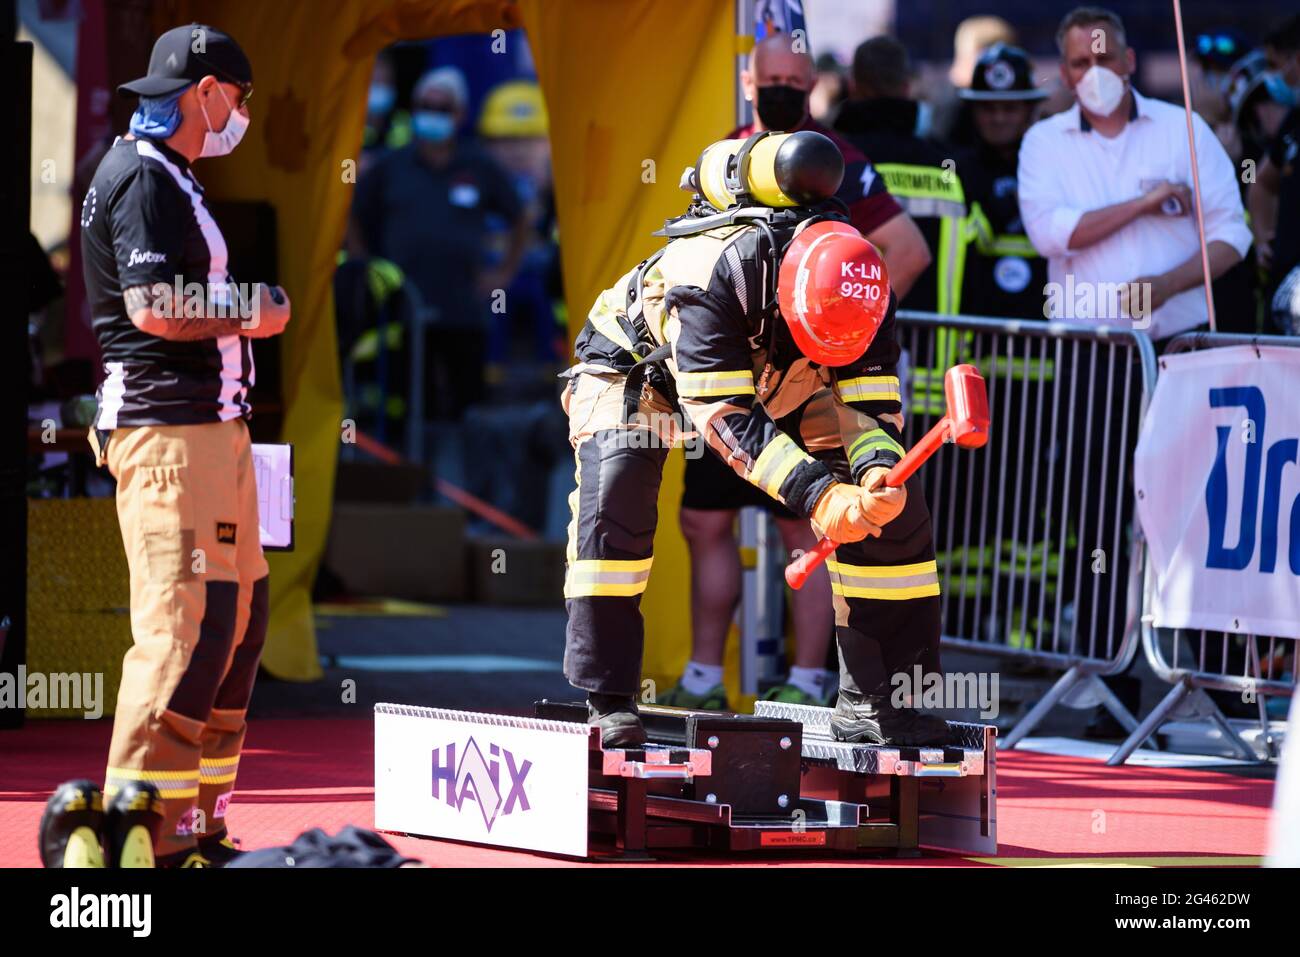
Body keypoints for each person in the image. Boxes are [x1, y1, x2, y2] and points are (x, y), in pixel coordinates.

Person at [562, 129, 950, 749]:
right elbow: (725, 419)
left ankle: (885, 703)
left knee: (895, 514)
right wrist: (822, 497)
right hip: (640, 370)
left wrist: (876, 476)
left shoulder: (863, 286)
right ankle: (608, 700)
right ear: (791, 298)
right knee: (618, 502)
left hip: (780, 368)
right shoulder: (716, 273)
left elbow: (872, 411)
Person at [658, 32, 931, 710]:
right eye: (769, 76)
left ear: (812, 86)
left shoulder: (836, 162)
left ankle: (807, 680)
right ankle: (701, 679)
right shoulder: (725, 156)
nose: (781, 88)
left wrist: (834, 335)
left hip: (805, 385)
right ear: (749, 83)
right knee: (703, 521)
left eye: (794, 78)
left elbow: (904, 250)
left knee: (808, 524)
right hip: (728, 380)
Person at [74, 23, 290, 867]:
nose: (238, 116)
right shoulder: (142, 175)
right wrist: (253, 309)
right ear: (204, 92)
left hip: (211, 430)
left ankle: (197, 827)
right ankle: (135, 842)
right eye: (236, 99)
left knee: (237, 623)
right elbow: (154, 308)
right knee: (183, 631)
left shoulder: (163, 174)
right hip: (170, 432)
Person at [1018, 6, 1252, 343]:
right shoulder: (1042, 142)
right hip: (1087, 348)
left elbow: (1231, 234)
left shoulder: (1184, 127)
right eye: (1081, 63)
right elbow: (1048, 235)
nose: (1095, 74)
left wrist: (1168, 284)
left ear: (1129, 60)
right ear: (1065, 74)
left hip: (1180, 341)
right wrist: (1142, 205)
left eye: (1105, 59)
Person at [351, 66, 529, 419]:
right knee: (408, 405)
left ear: (460, 114)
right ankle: (407, 473)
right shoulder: (392, 166)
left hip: (464, 309)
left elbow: (519, 219)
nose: (431, 116)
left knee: (468, 406)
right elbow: (354, 215)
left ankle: (463, 473)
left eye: (442, 109)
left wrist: (503, 274)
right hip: (402, 310)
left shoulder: (478, 165)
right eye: (424, 107)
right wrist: (365, 269)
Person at [956, 44, 1049, 321]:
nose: (998, 118)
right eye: (988, 108)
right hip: (976, 325)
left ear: (1031, 109)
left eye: (1010, 108)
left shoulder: (1054, 167)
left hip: (1043, 321)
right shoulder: (954, 170)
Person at [1250, 14, 1300, 321]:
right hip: (1283, 295)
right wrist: (1261, 235)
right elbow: (1257, 180)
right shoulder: (1292, 123)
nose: (1274, 78)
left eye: (1277, 64)